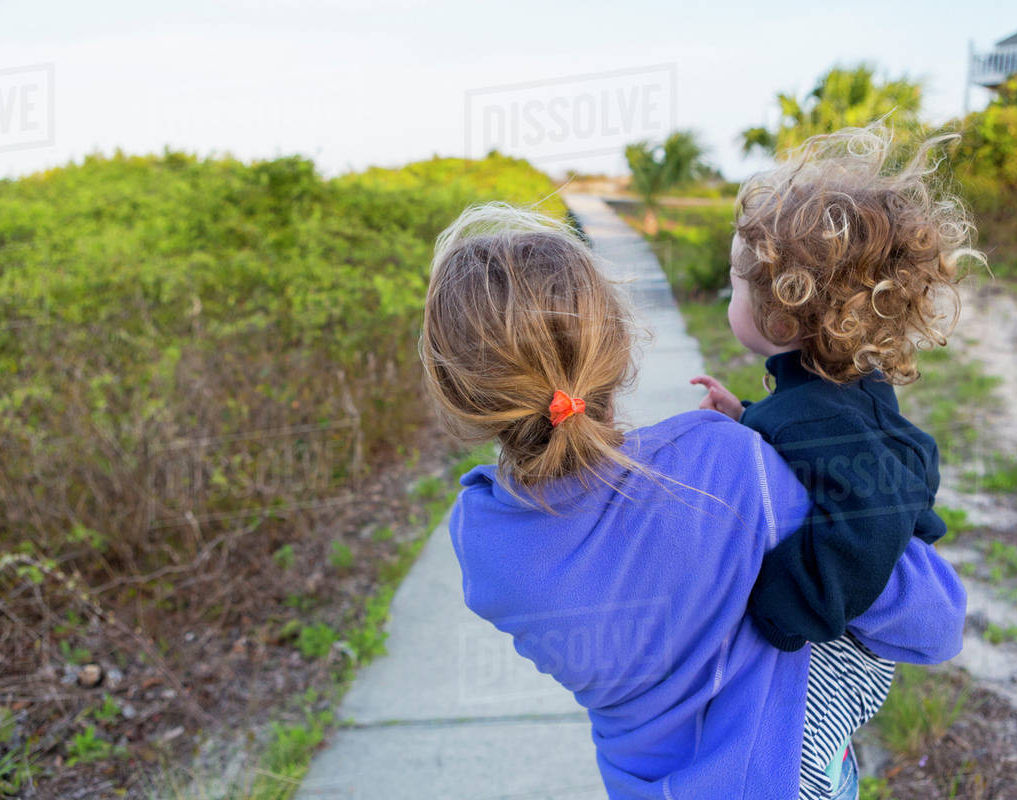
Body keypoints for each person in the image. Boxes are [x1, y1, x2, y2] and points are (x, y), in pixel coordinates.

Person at [420, 200, 966, 799]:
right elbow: (931, 623)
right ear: (618, 345)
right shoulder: (723, 465)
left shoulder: (481, 539)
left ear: (457, 393)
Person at [692, 123, 984, 797]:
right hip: (844, 620)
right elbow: (848, 454)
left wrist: (779, 607)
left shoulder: (816, 412)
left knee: (795, 765)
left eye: (736, 287)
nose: (729, 299)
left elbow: (870, 518)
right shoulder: (834, 390)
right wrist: (746, 416)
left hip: (839, 641)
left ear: (781, 316)